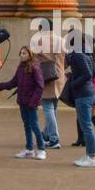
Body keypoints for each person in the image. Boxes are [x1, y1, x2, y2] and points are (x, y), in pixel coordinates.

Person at [0, 46, 46, 160]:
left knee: (34, 125)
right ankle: (29, 150)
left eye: (24, 53)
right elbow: (13, 82)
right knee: (27, 126)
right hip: (22, 102)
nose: (21, 55)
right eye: (21, 53)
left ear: (30, 55)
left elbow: (40, 86)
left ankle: (41, 149)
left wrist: (33, 102)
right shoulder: (20, 67)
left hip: (31, 103)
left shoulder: (35, 67)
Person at [33, 17, 66, 151]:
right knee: (53, 108)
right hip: (59, 76)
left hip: (45, 77)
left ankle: (54, 139)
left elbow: (33, 60)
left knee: (47, 108)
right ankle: (46, 135)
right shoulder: (61, 40)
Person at [66, 37, 95, 168]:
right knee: (87, 126)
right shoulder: (88, 54)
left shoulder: (77, 55)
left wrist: (73, 83)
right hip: (89, 92)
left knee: (86, 127)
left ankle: (91, 156)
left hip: (83, 94)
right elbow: (93, 73)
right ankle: (89, 155)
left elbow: (87, 74)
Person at [72, 45, 95, 149]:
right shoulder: (93, 55)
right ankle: (84, 138)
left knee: (85, 114)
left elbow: (89, 73)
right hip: (93, 85)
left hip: (88, 87)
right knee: (88, 114)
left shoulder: (85, 55)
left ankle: (90, 139)